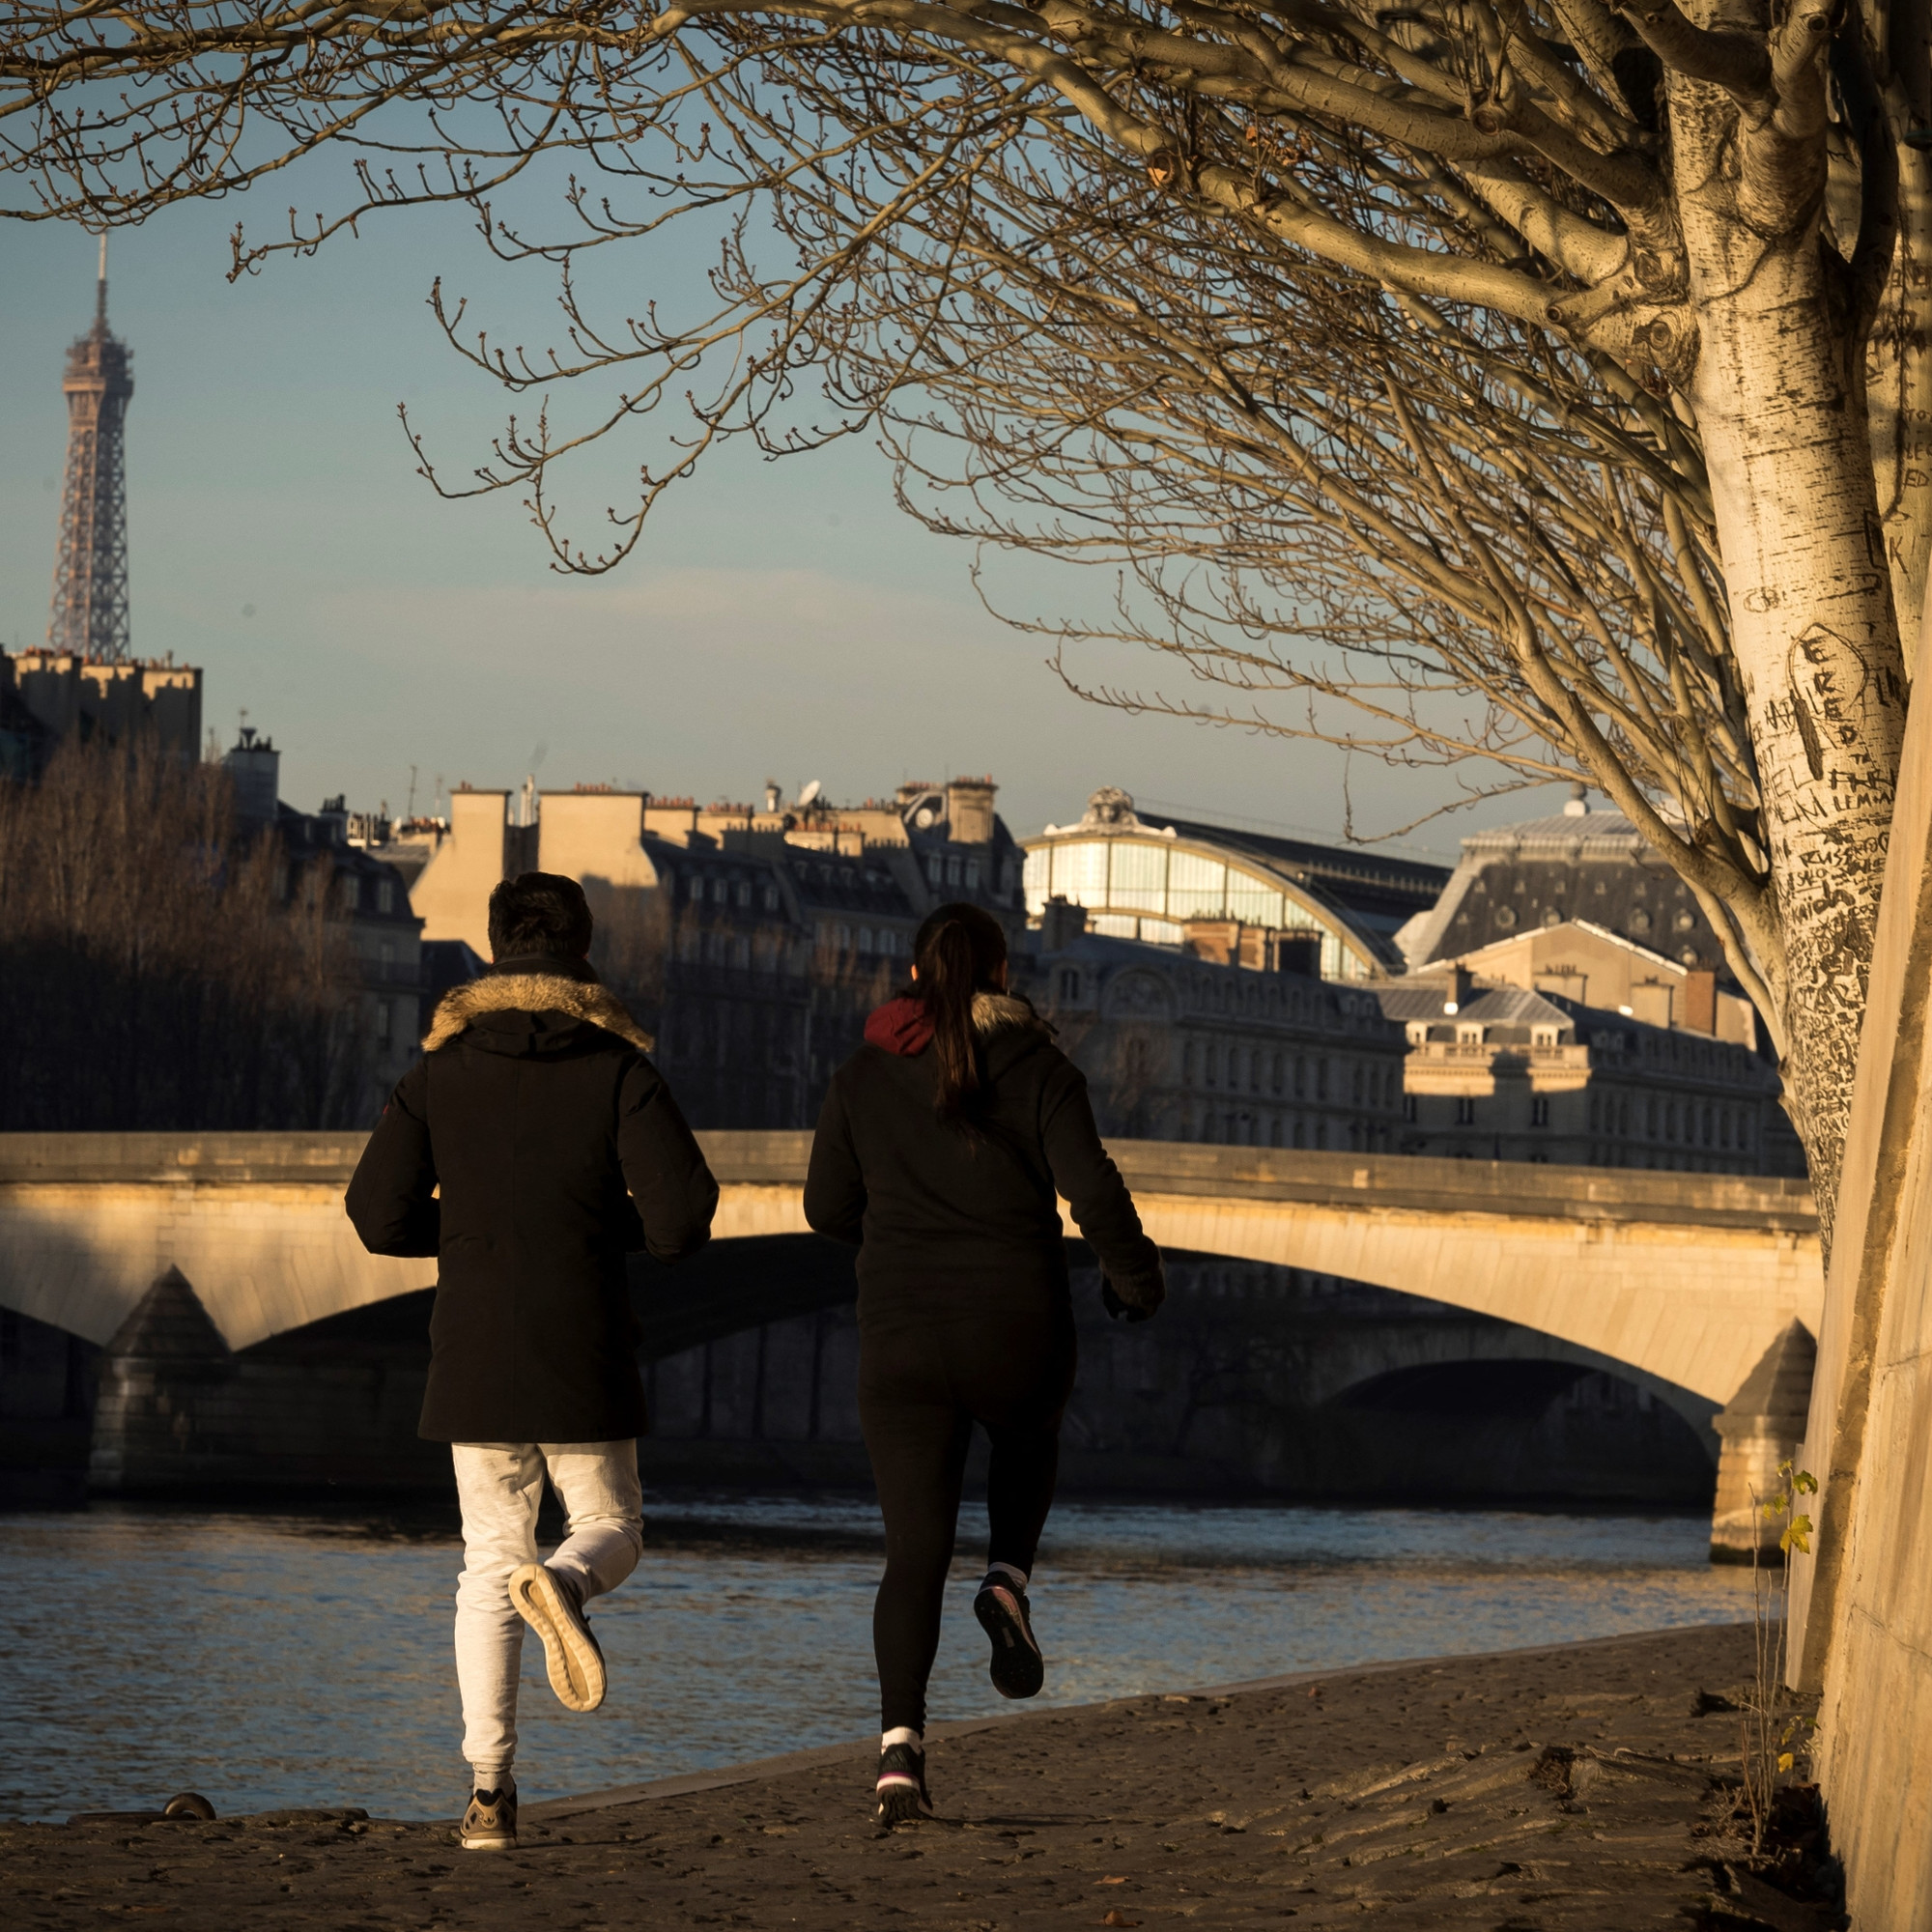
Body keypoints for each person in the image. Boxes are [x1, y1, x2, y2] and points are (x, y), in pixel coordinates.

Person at [346, 871, 717, 1852]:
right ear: (582, 950)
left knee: (484, 1563)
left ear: (493, 947)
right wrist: (595, 1230)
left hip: (471, 1342)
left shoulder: (437, 1071)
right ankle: (570, 1584)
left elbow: (376, 1215)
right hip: (583, 1337)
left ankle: (486, 1794)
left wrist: (472, 1232)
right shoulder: (619, 1068)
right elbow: (682, 1217)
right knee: (611, 1526)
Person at [804, 901, 1165, 1827]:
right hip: (1017, 1323)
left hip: (901, 1341)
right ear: (1004, 974)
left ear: (915, 976)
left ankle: (898, 1758)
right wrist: (1135, 1280)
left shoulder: (859, 1076)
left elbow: (823, 1209)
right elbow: (1094, 1190)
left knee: (911, 1555)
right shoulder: (1042, 1068)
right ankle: (1008, 1578)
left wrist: (892, 1228)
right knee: (1027, 1427)